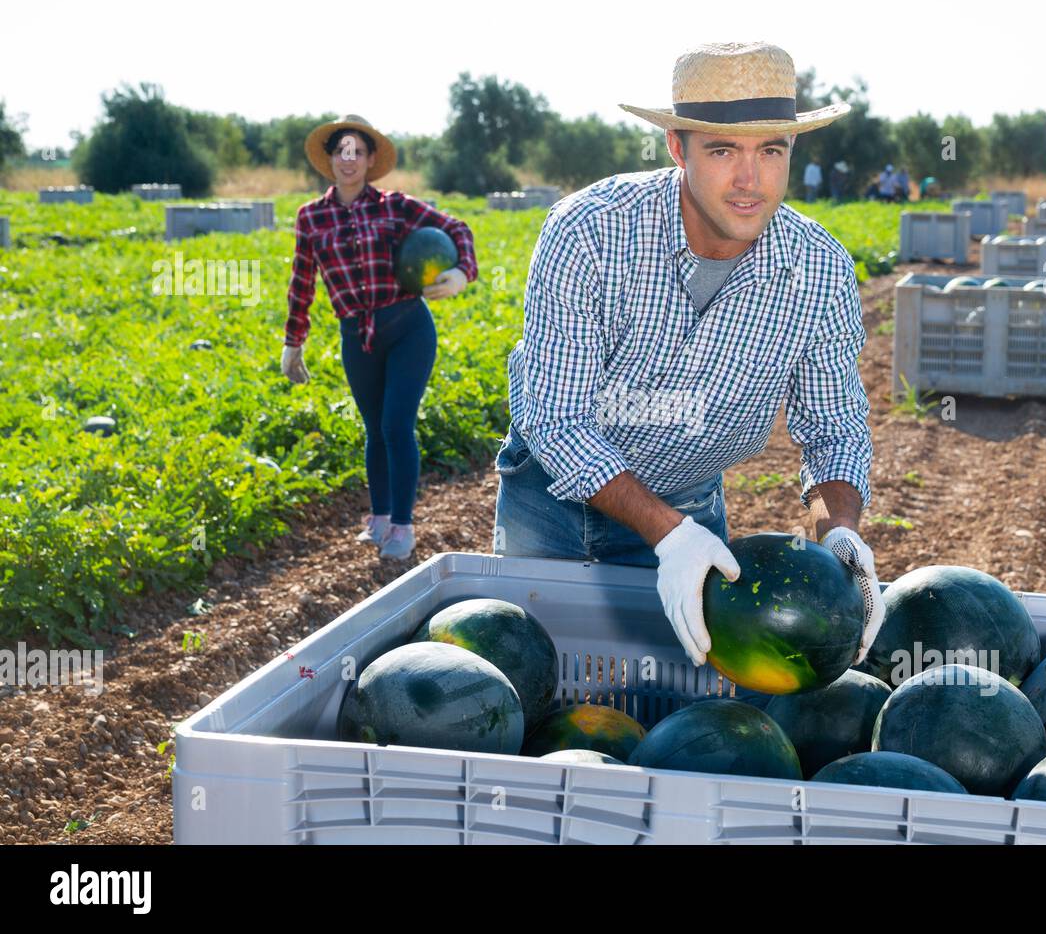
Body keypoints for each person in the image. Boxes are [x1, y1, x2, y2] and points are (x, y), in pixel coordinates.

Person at [494, 42, 884, 669]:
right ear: (678, 148)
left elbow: (834, 429)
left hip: (691, 512)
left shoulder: (820, 270)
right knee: (532, 678)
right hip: (551, 510)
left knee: (675, 708)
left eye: (771, 151)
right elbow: (554, 418)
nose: (749, 180)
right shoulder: (590, 232)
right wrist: (666, 535)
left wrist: (839, 531)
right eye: (724, 150)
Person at [280, 114, 478, 561]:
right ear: (330, 159)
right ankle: (381, 517)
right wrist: (294, 343)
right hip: (357, 336)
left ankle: (404, 527)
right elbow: (301, 283)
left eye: (357, 151)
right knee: (374, 430)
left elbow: (457, 229)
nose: (348, 159)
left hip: (407, 326)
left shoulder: (396, 206)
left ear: (370, 160)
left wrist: (461, 272)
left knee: (395, 425)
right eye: (340, 151)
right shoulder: (311, 218)